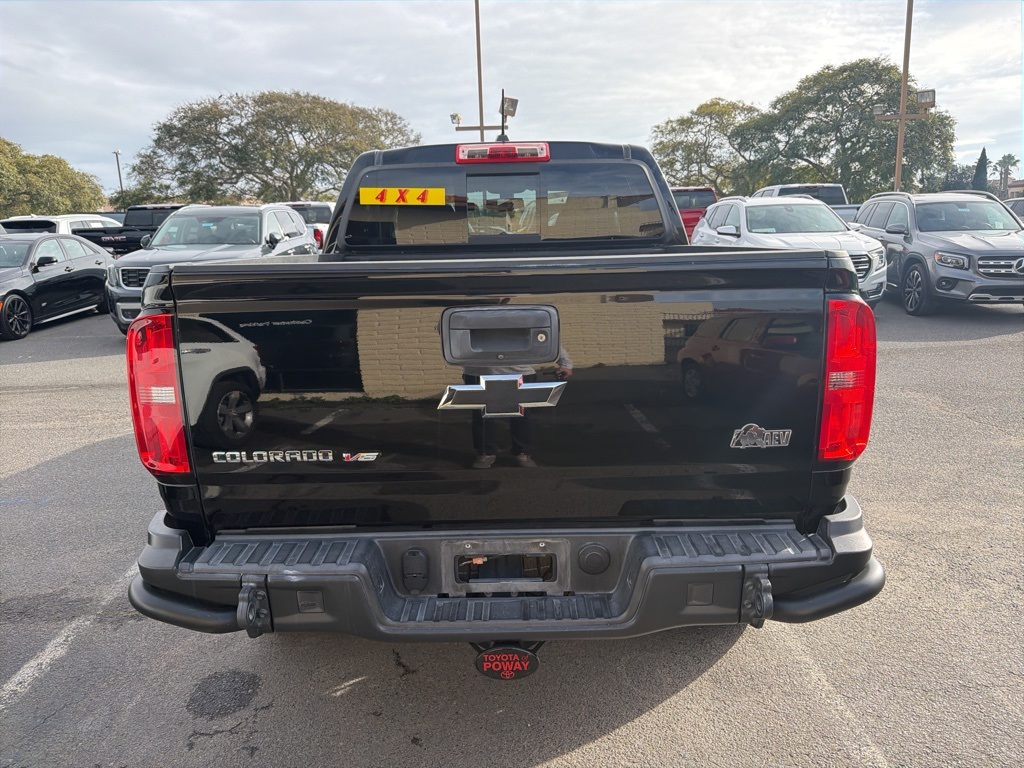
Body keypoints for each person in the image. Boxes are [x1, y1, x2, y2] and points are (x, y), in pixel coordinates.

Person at [462, 346, 573, 468]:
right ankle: (485, 453)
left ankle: (522, 452)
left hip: (520, 372)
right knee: (482, 416)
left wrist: (565, 363)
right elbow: (453, 335)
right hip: (479, 372)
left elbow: (544, 337)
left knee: (522, 415)